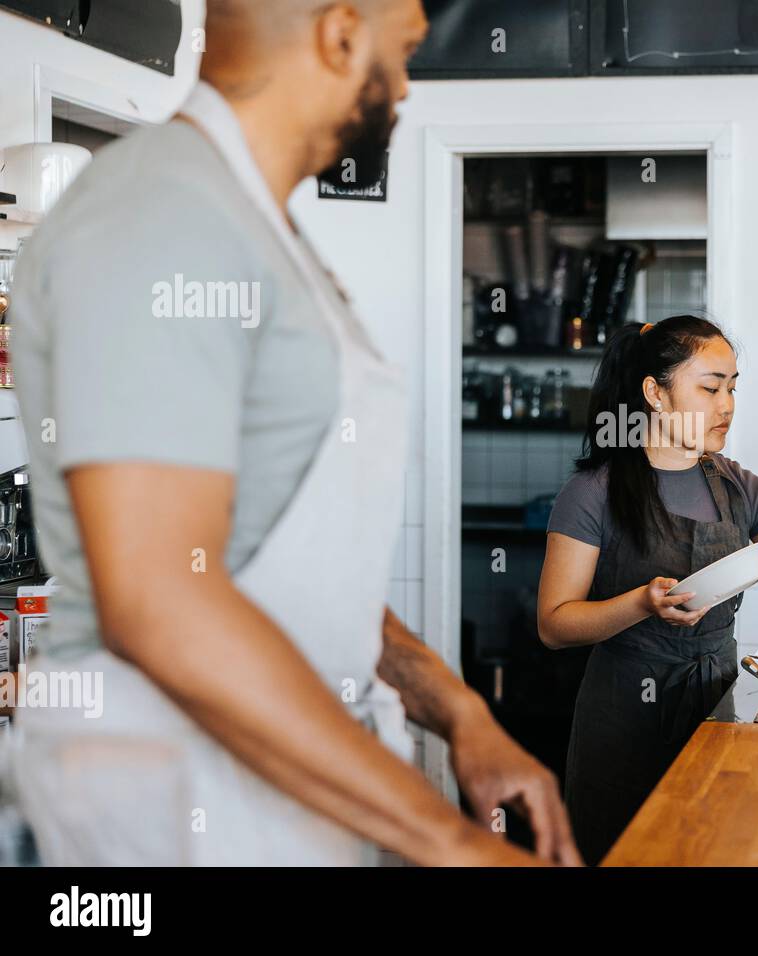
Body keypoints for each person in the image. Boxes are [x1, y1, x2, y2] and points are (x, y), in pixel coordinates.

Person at [9, 0, 579, 866]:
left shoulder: (255, 229)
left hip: (277, 798)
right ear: (341, 33)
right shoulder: (161, 212)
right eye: (408, 52)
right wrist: (451, 844)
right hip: (173, 806)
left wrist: (458, 712)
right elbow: (160, 600)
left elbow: (293, 564)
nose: (407, 90)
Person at [537, 315, 758, 863]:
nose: (727, 405)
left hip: (717, 713)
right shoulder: (592, 493)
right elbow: (554, 623)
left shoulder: (738, 485)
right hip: (624, 725)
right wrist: (641, 602)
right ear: (654, 393)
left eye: (733, 387)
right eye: (710, 387)